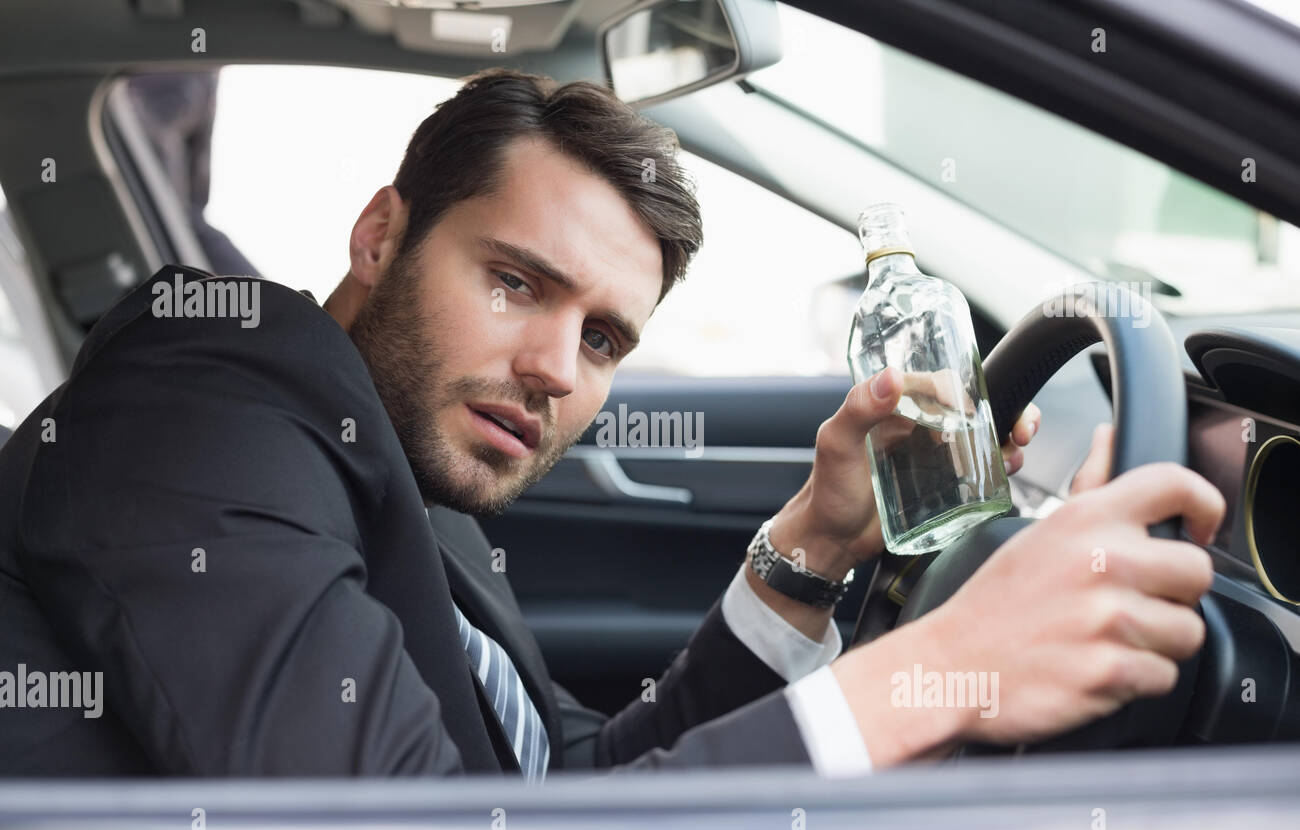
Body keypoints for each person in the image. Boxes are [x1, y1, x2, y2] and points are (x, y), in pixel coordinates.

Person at [0, 69, 1223, 779]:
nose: (550, 369)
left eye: (602, 338)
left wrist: (813, 546)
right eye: (516, 281)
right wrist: (935, 679)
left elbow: (568, 788)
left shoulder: (407, 474)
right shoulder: (199, 411)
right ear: (380, 235)